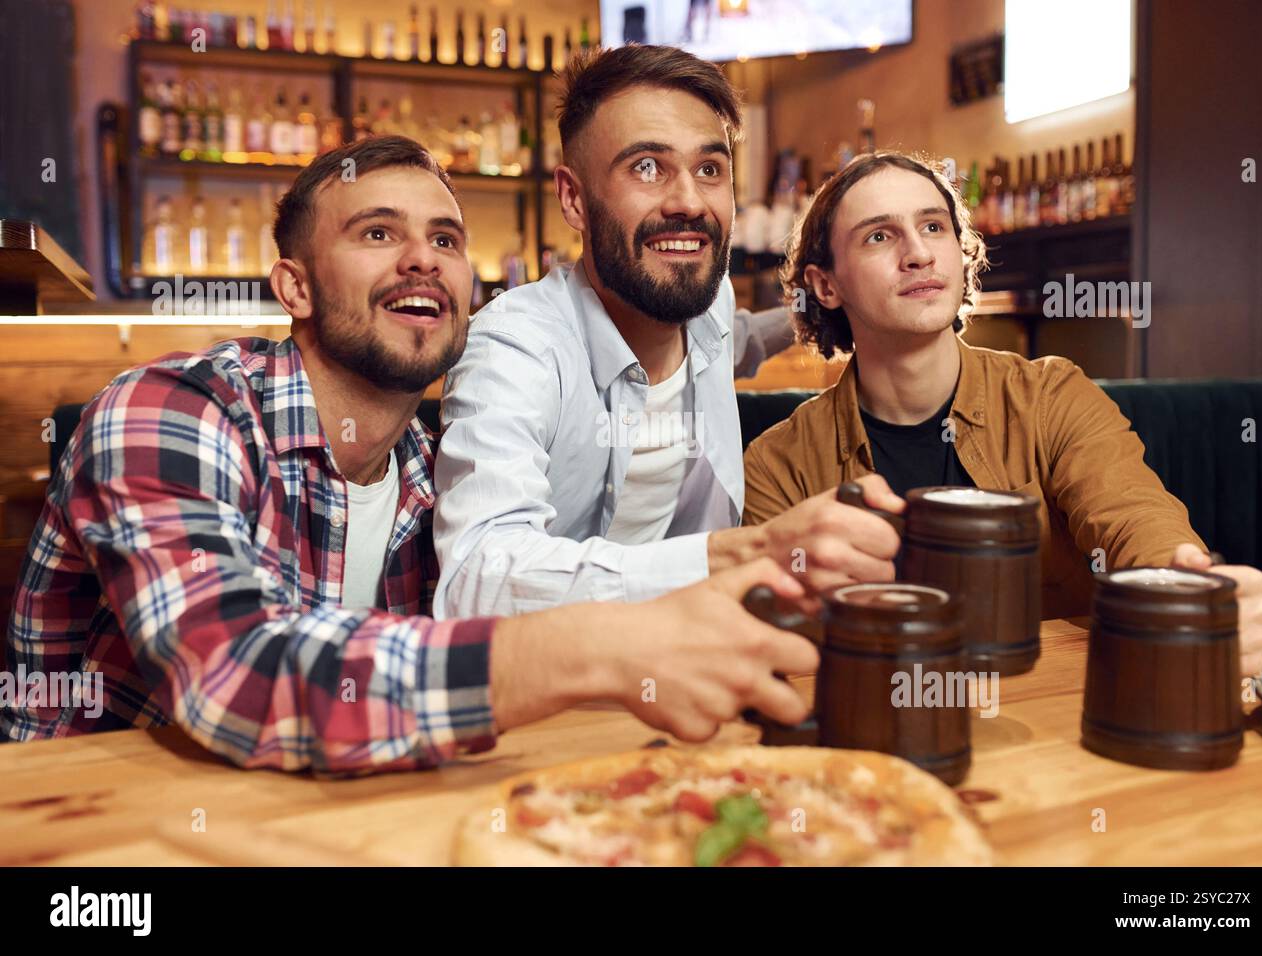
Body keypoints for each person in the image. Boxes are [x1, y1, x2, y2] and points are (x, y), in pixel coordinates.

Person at [1, 136, 821, 771]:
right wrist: (598, 648)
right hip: (96, 835)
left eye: (446, 239)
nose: (423, 257)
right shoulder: (172, 412)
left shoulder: (434, 476)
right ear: (295, 288)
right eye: (377, 232)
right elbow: (237, 677)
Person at [741, 151, 1262, 675]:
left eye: (933, 227)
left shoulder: (1050, 395)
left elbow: (1133, 515)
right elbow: (766, 634)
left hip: (1054, 722)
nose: (919, 254)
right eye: (879, 236)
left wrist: (1181, 589)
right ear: (825, 286)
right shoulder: (777, 463)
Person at [434, 44, 902, 618]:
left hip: (705, 658)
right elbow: (477, 577)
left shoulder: (705, 302)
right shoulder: (515, 348)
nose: (687, 202)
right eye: (647, 168)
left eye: (709, 169)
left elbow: (740, 339)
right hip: (571, 682)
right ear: (574, 199)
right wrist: (743, 553)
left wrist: (840, 303)